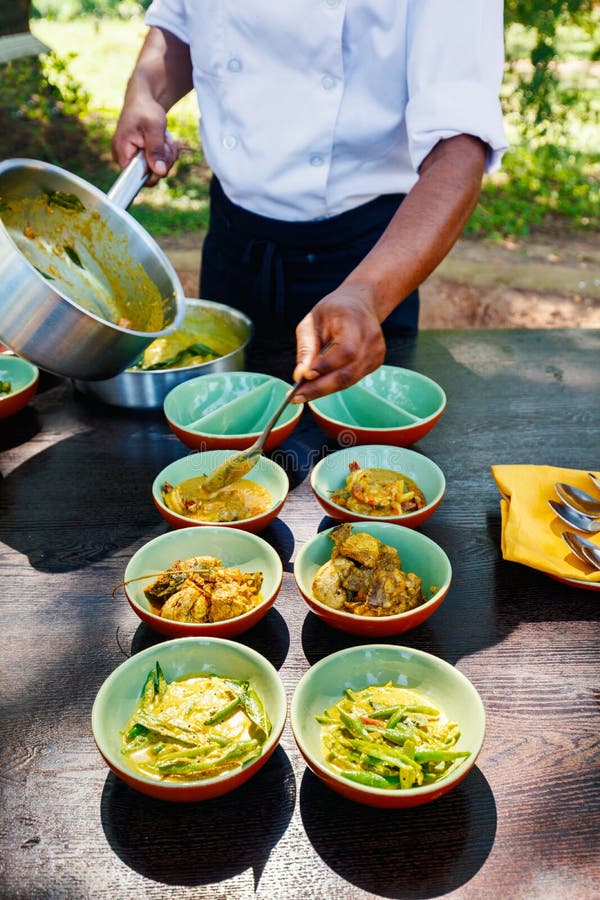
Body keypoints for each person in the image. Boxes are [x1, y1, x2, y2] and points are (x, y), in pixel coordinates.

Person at [113, 0, 507, 402]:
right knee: (223, 432)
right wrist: (145, 92)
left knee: (354, 455)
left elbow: (459, 148)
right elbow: (181, 23)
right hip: (232, 246)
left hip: (365, 265)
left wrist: (367, 295)